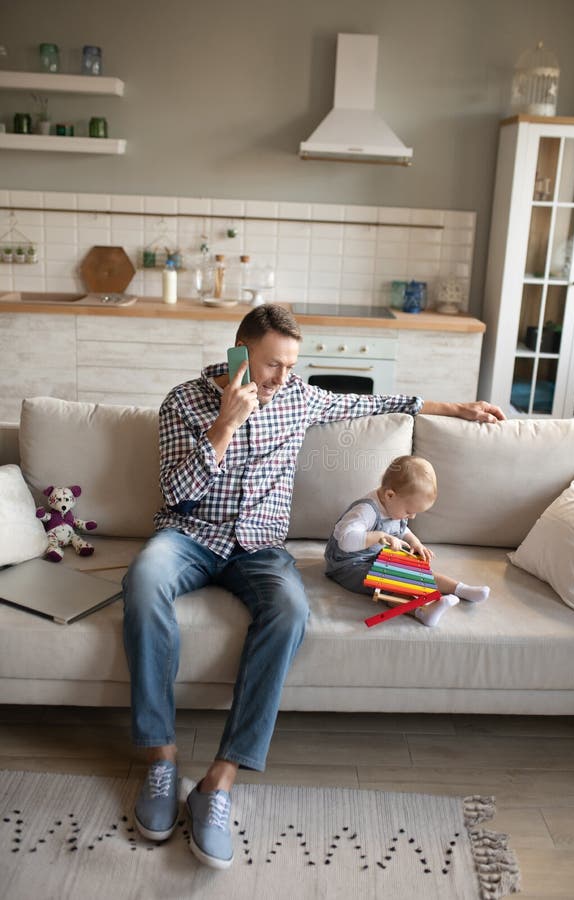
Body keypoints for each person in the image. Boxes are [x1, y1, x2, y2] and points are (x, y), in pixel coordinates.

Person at [122, 304, 505, 870]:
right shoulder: (183, 402)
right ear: (240, 352)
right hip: (189, 536)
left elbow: (374, 402)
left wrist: (457, 408)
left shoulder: (299, 397)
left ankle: (219, 781)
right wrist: (224, 424)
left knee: (290, 612)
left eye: (291, 366)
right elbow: (177, 493)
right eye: (272, 365)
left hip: (260, 549)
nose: (282, 378)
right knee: (142, 582)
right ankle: (161, 760)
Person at [325, 455, 490, 627]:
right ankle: (423, 612)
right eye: (409, 511)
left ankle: (462, 589)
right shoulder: (365, 511)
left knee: (416, 571)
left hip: (374, 557)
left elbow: (400, 529)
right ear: (390, 495)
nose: (412, 516)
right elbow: (345, 540)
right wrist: (381, 536)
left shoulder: (394, 505)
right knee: (389, 584)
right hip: (347, 565)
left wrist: (414, 542)